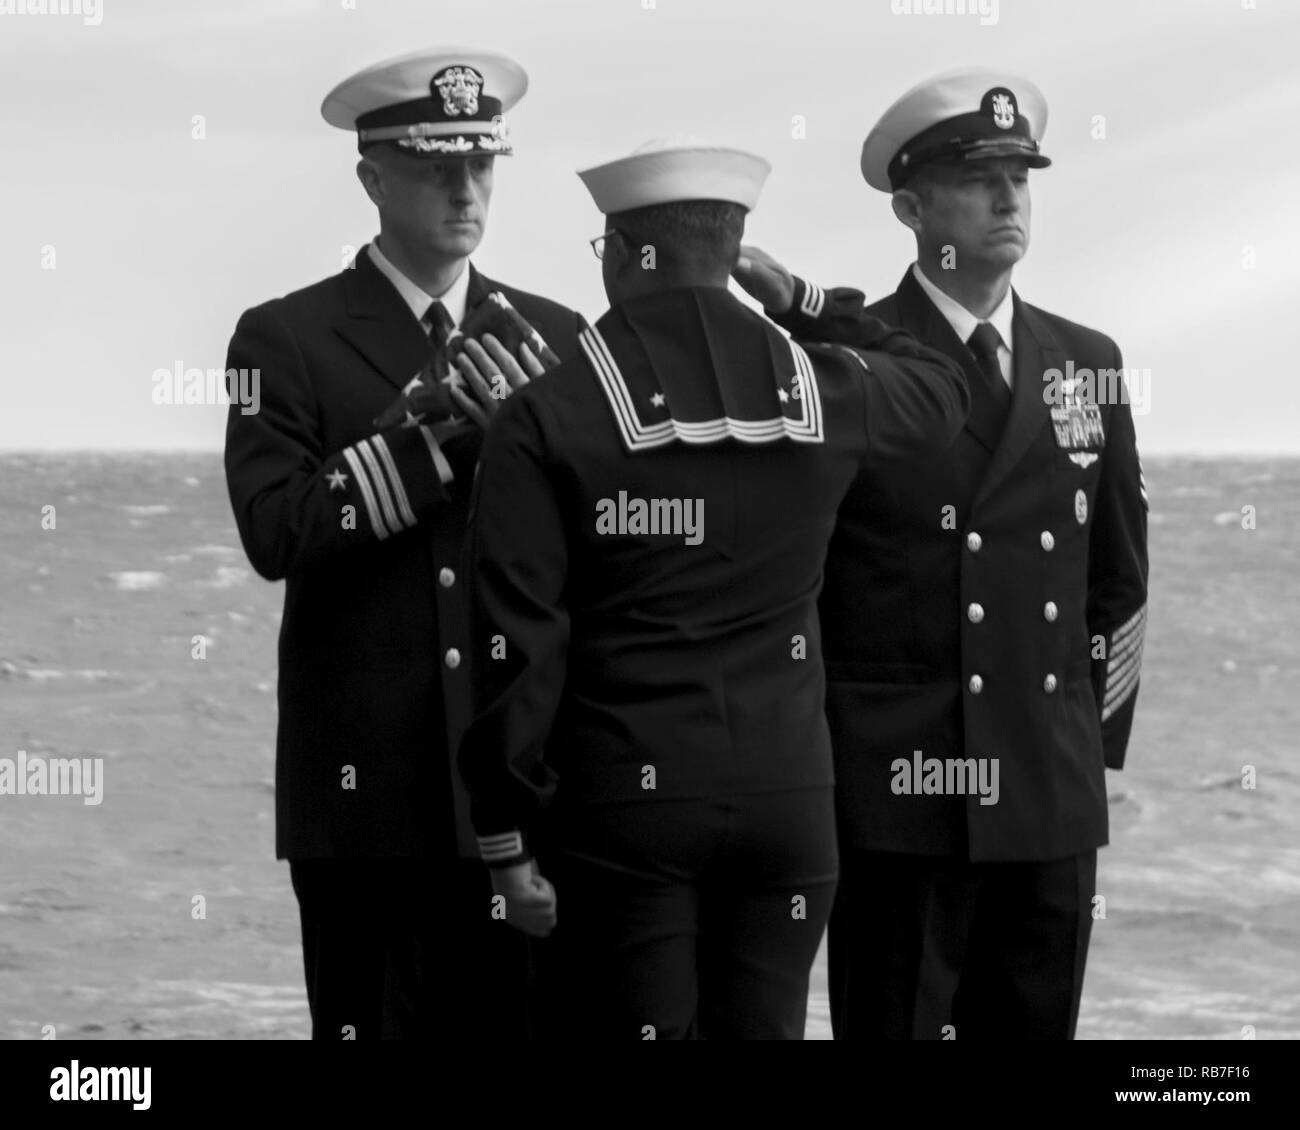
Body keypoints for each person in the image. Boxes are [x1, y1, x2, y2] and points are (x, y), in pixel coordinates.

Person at [456, 138, 969, 1040]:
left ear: (620, 254)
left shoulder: (547, 412)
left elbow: (518, 643)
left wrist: (505, 837)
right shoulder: (828, 388)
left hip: (627, 806)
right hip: (789, 804)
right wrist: (809, 304)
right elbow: (943, 390)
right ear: (735, 260)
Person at [733, 68, 1149, 1040]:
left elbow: (1117, 580)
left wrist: (1088, 750)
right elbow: (797, 590)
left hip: (1047, 798)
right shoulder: (852, 361)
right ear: (913, 209)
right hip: (902, 799)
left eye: (1019, 176)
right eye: (977, 177)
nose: (1007, 198)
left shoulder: (1086, 359)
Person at [223, 48, 584, 1040]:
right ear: (372, 177)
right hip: (367, 801)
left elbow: (592, 551)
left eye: (480, 164)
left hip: (522, 788)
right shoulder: (284, 338)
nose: (465, 188)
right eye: (435, 166)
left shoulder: (553, 335)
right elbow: (274, 528)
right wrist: (423, 442)